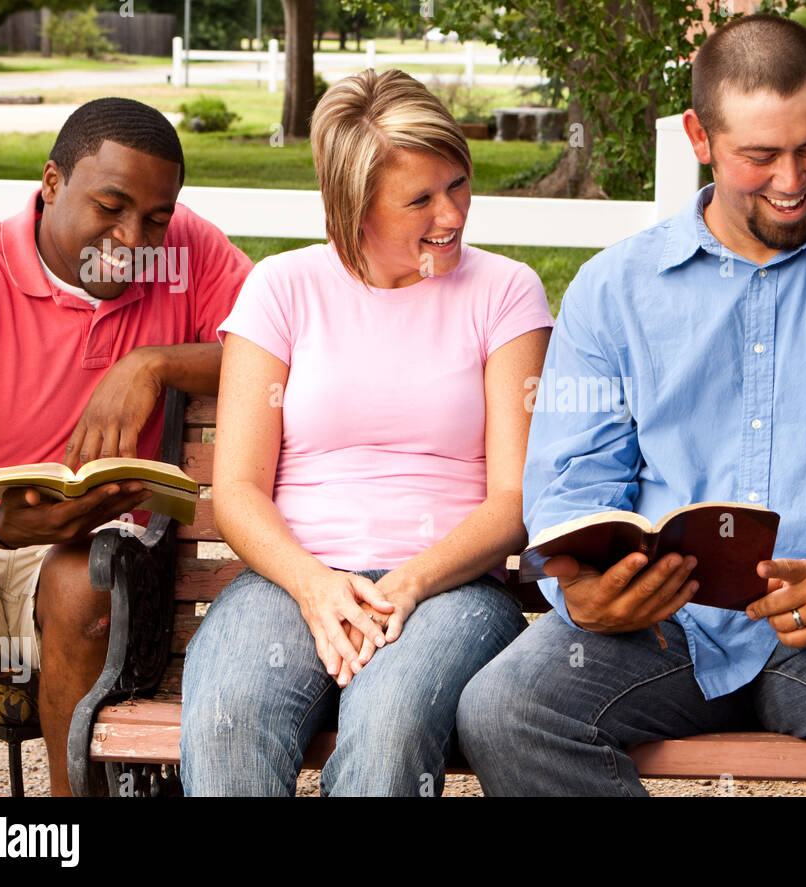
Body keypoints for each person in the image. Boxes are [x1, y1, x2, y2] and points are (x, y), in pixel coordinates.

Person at [456, 13, 806, 796]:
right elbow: (572, 488)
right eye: (761, 157)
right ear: (699, 137)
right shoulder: (615, 289)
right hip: (663, 626)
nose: (793, 182)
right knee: (506, 709)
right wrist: (584, 590)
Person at [178, 70, 553, 797]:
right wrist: (318, 588)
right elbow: (240, 488)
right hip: (289, 581)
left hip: (451, 587)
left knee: (387, 726)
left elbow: (514, 497)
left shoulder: (505, 292)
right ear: (353, 207)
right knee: (228, 721)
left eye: (458, 184)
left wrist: (406, 584)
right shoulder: (282, 288)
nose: (451, 214)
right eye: (419, 199)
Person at [0, 97, 253, 795]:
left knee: (84, 571)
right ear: (51, 184)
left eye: (156, 218)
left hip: (97, 565)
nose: (134, 238)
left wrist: (152, 363)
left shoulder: (186, 247)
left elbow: (278, 348)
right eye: (111, 206)